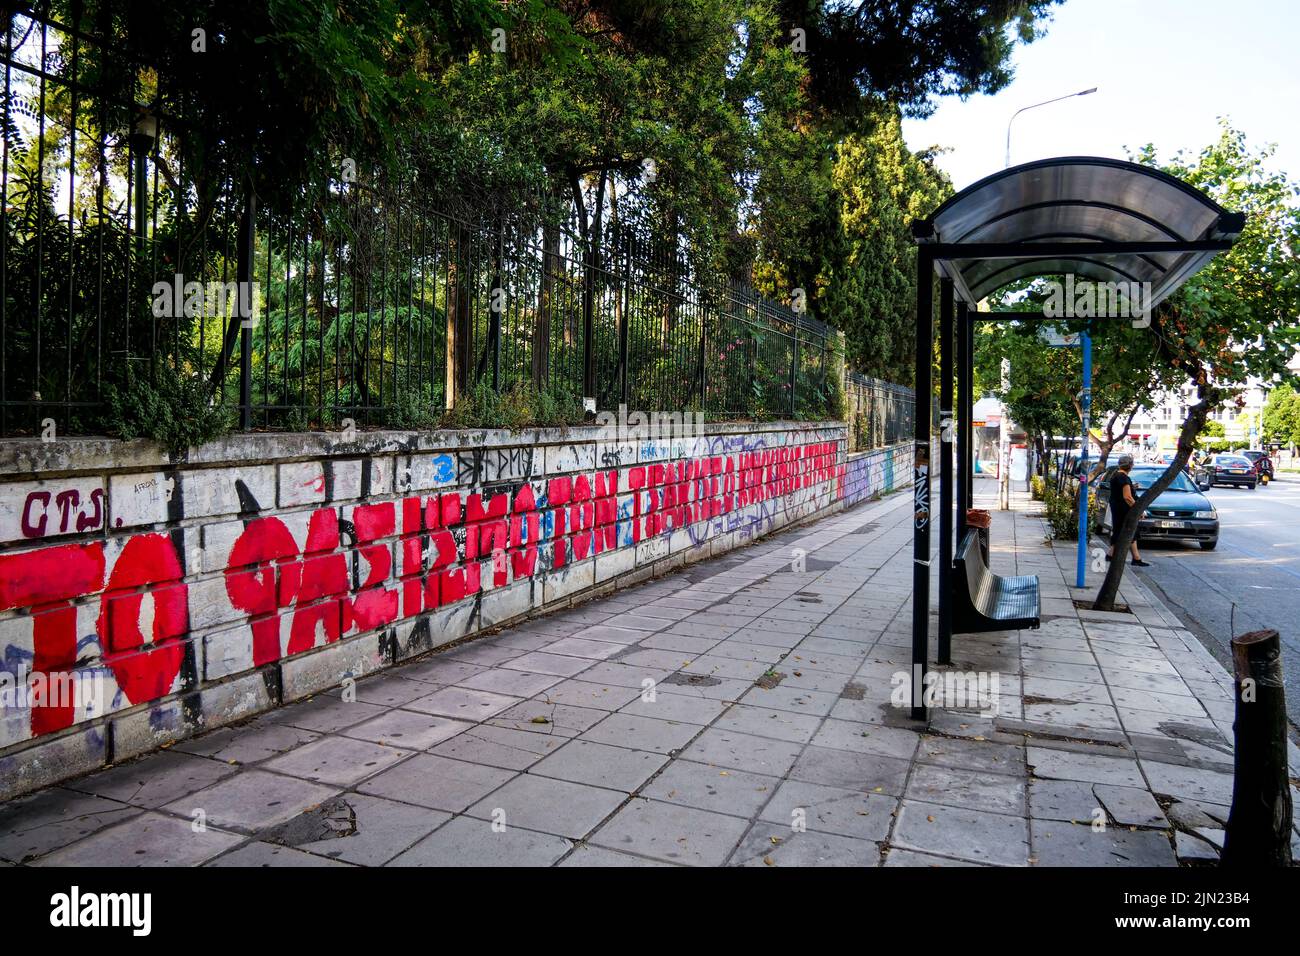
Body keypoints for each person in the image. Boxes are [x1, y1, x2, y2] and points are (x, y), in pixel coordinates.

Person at [1107, 454, 1149, 567]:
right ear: (1130, 466)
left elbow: (1120, 491)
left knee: (1125, 531)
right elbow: (1127, 497)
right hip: (1123, 510)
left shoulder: (1116, 476)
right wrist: (1138, 510)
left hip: (1117, 508)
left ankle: (1132, 557)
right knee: (1127, 531)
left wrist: (1131, 487)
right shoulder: (1123, 478)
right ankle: (1133, 558)